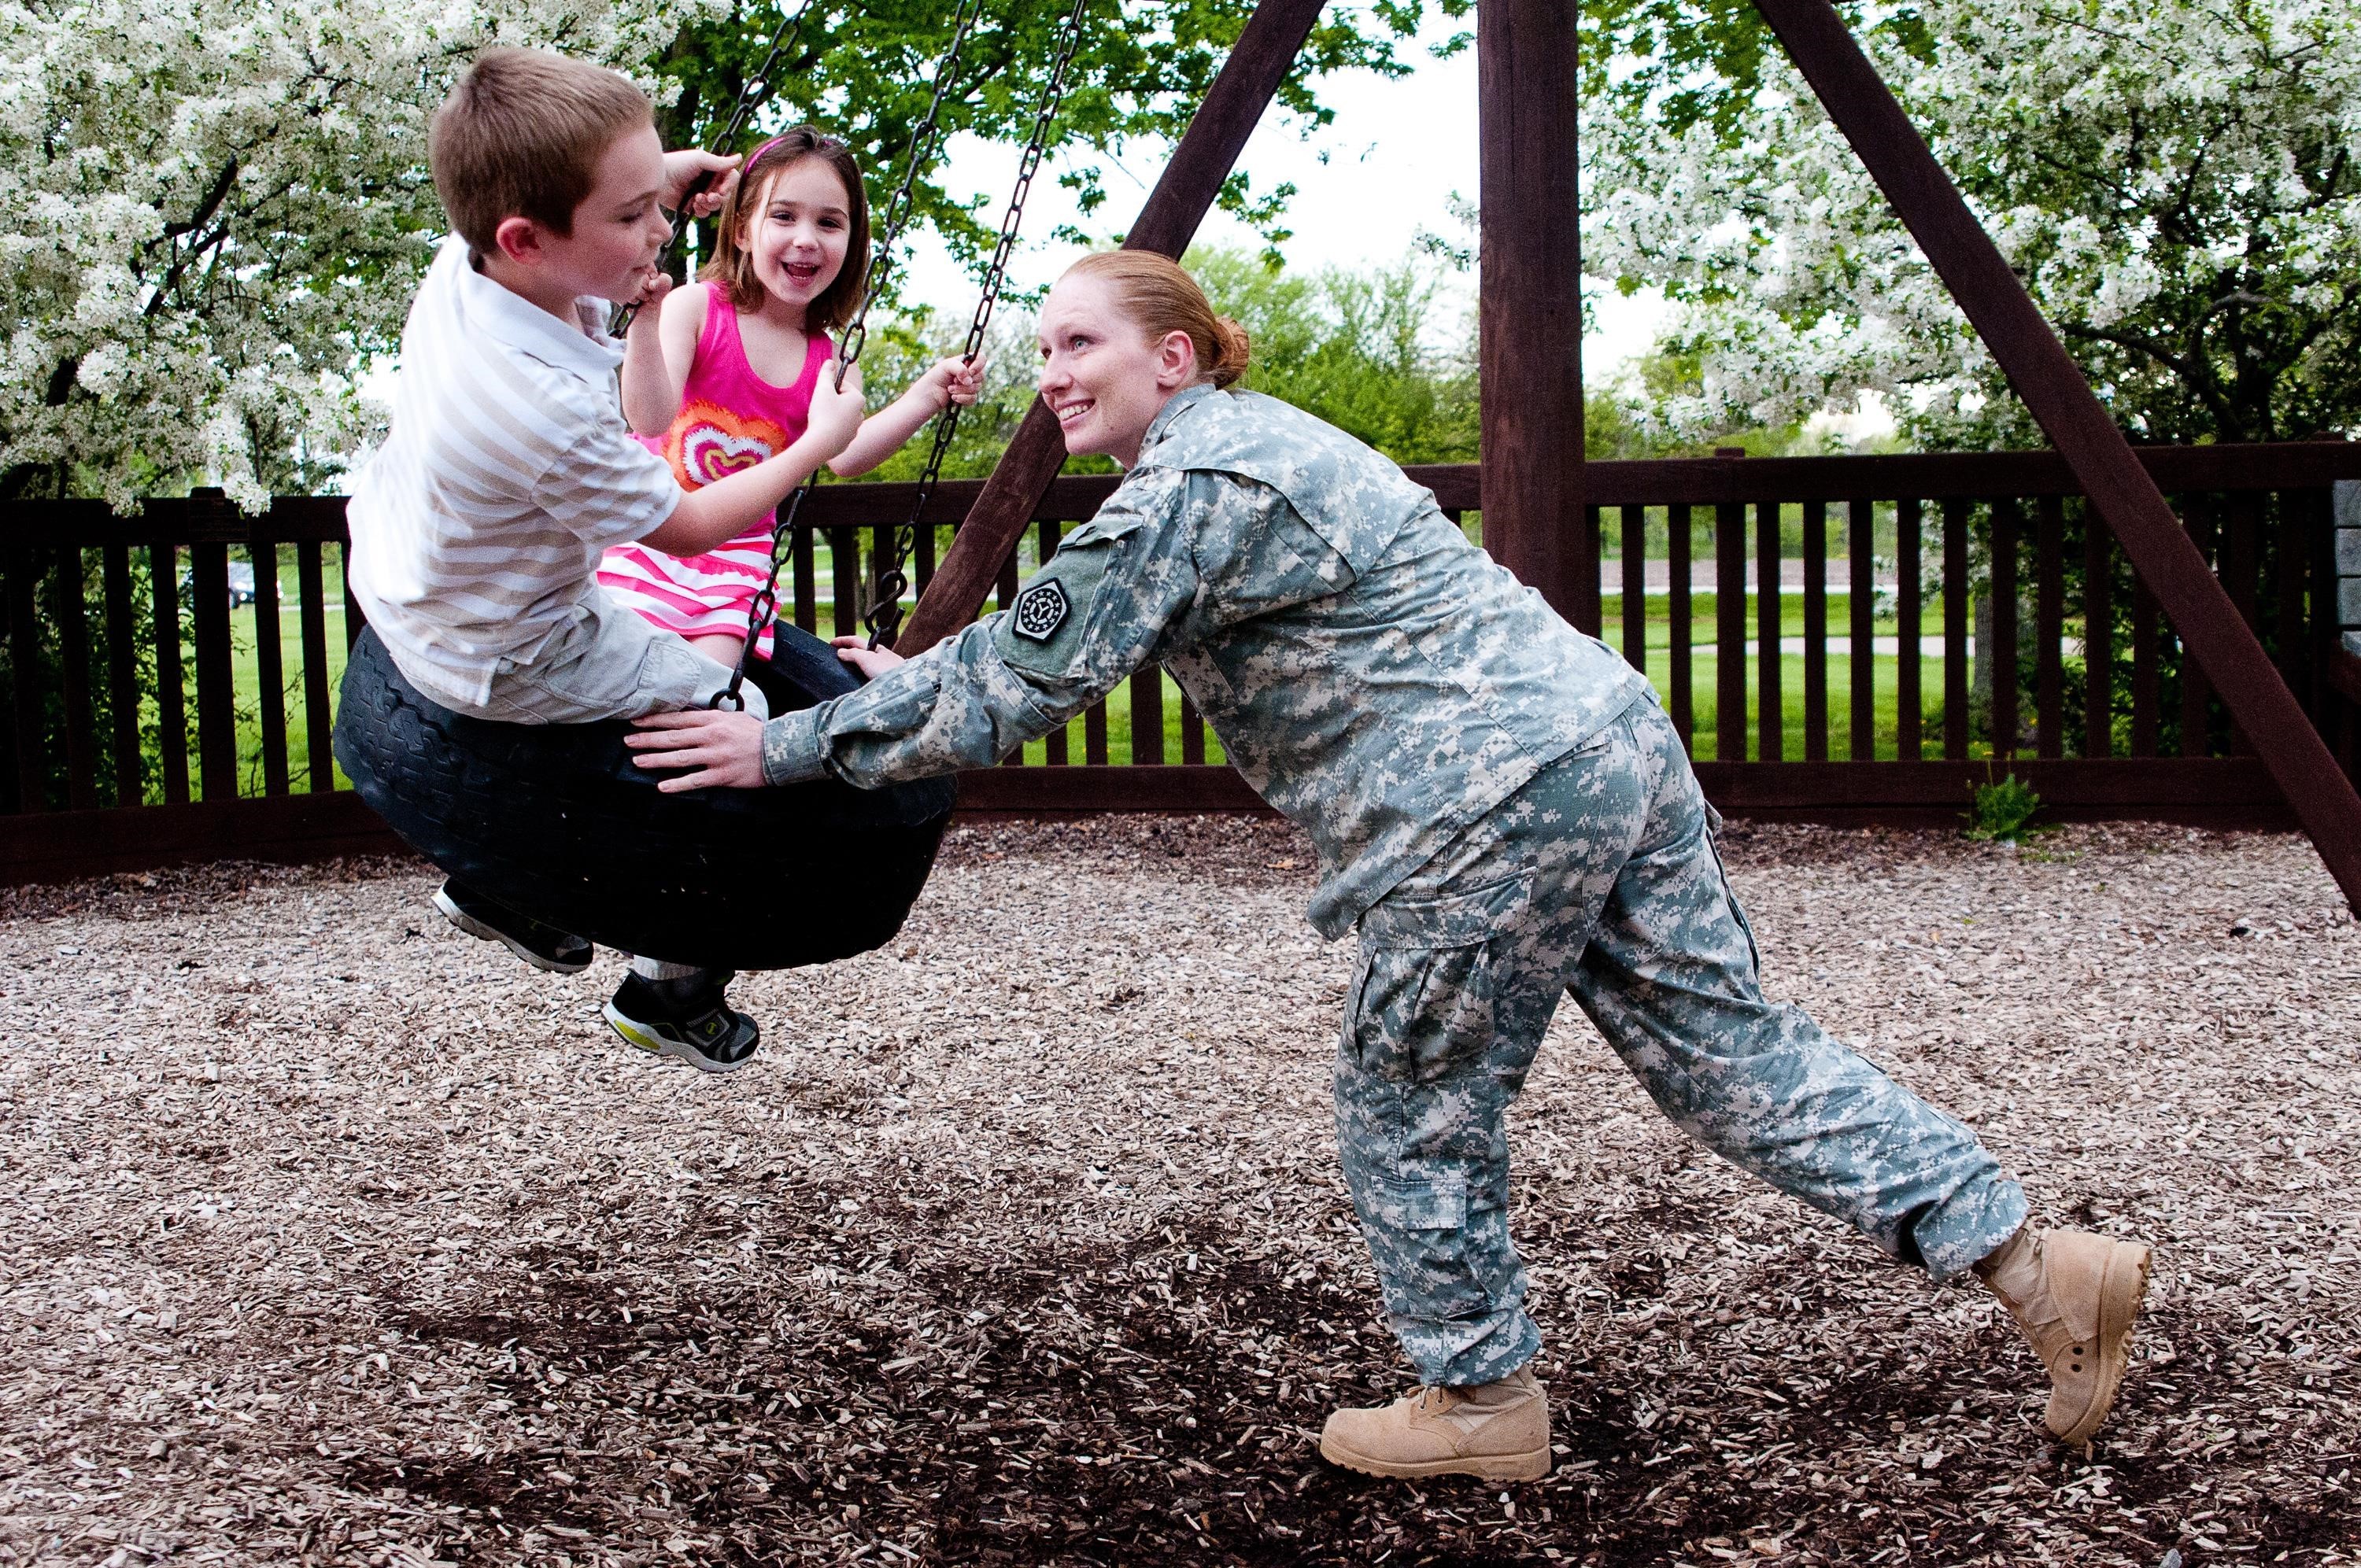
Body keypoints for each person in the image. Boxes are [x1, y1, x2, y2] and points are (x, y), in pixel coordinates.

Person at [624, 251, 2154, 1480]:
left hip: (1476, 806)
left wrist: (789, 747)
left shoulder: (1192, 488)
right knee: (1731, 1058)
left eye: (1080, 343)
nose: (1051, 376)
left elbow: (1021, 681)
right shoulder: (1256, 448)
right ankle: (2037, 1264)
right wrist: (870, 684)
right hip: (1601, 745)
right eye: (1039, 353)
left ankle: (1480, 1396)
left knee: (1408, 1096)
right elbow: (1023, 648)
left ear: (1175, 357)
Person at [345, 48, 864, 1072]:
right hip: (512, 642)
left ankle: (503, 885)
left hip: (413, 582)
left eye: (652, 201)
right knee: (732, 719)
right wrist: (819, 438)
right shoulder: (539, 411)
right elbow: (686, 525)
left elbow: (568, 216)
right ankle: (668, 988)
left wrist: (648, 177)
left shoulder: (467, 267)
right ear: (528, 238)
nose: (662, 229)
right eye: (631, 216)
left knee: (611, 708)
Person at [600, 127, 985, 671]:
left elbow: (844, 453)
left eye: (829, 222)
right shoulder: (695, 309)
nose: (806, 237)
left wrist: (927, 394)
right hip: (646, 538)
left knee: (709, 695)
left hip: (734, 565)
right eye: (784, 216)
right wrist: (644, 324)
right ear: (741, 232)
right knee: (621, 679)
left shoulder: (829, 358)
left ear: (851, 243)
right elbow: (648, 415)